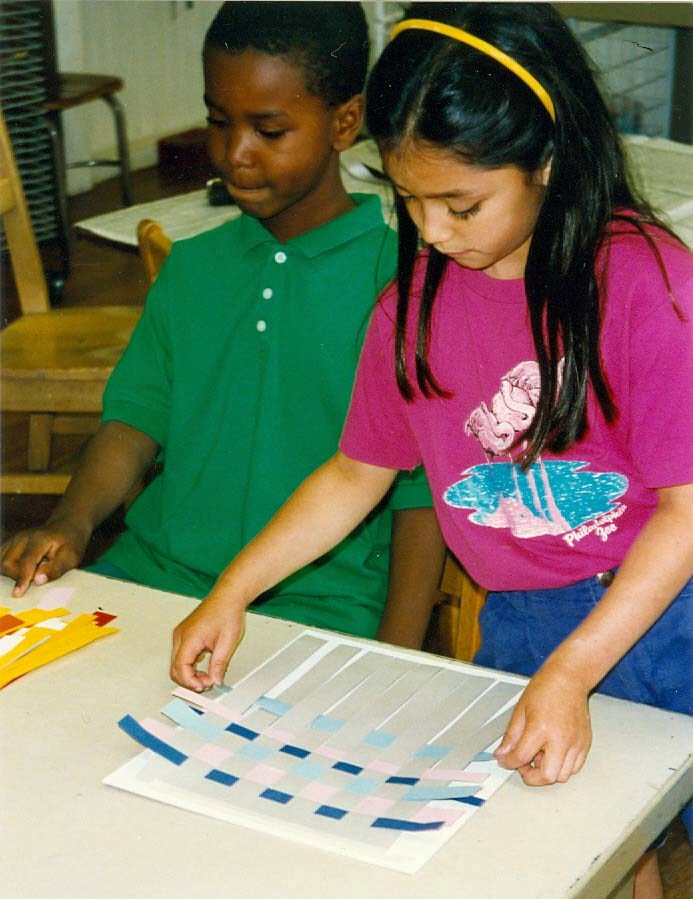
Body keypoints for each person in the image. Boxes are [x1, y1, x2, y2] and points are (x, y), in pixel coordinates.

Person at [169, 5, 692, 896]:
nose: (434, 233)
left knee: (651, 805)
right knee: (587, 830)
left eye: (461, 204)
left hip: (665, 605)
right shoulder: (413, 307)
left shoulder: (649, 285)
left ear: (548, 163)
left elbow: (685, 511)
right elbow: (353, 472)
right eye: (408, 201)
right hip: (526, 615)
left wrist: (574, 667)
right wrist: (233, 589)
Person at [0, 1, 447, 647]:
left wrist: (399, 654)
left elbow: (419, 499)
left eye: (268, 130)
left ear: (344, 122)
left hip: (316, 609)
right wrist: (70, 522)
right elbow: (134, 420)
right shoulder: (193, 267)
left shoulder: (400, 284)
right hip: (146, 579)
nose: (235, 152)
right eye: (218, 120)